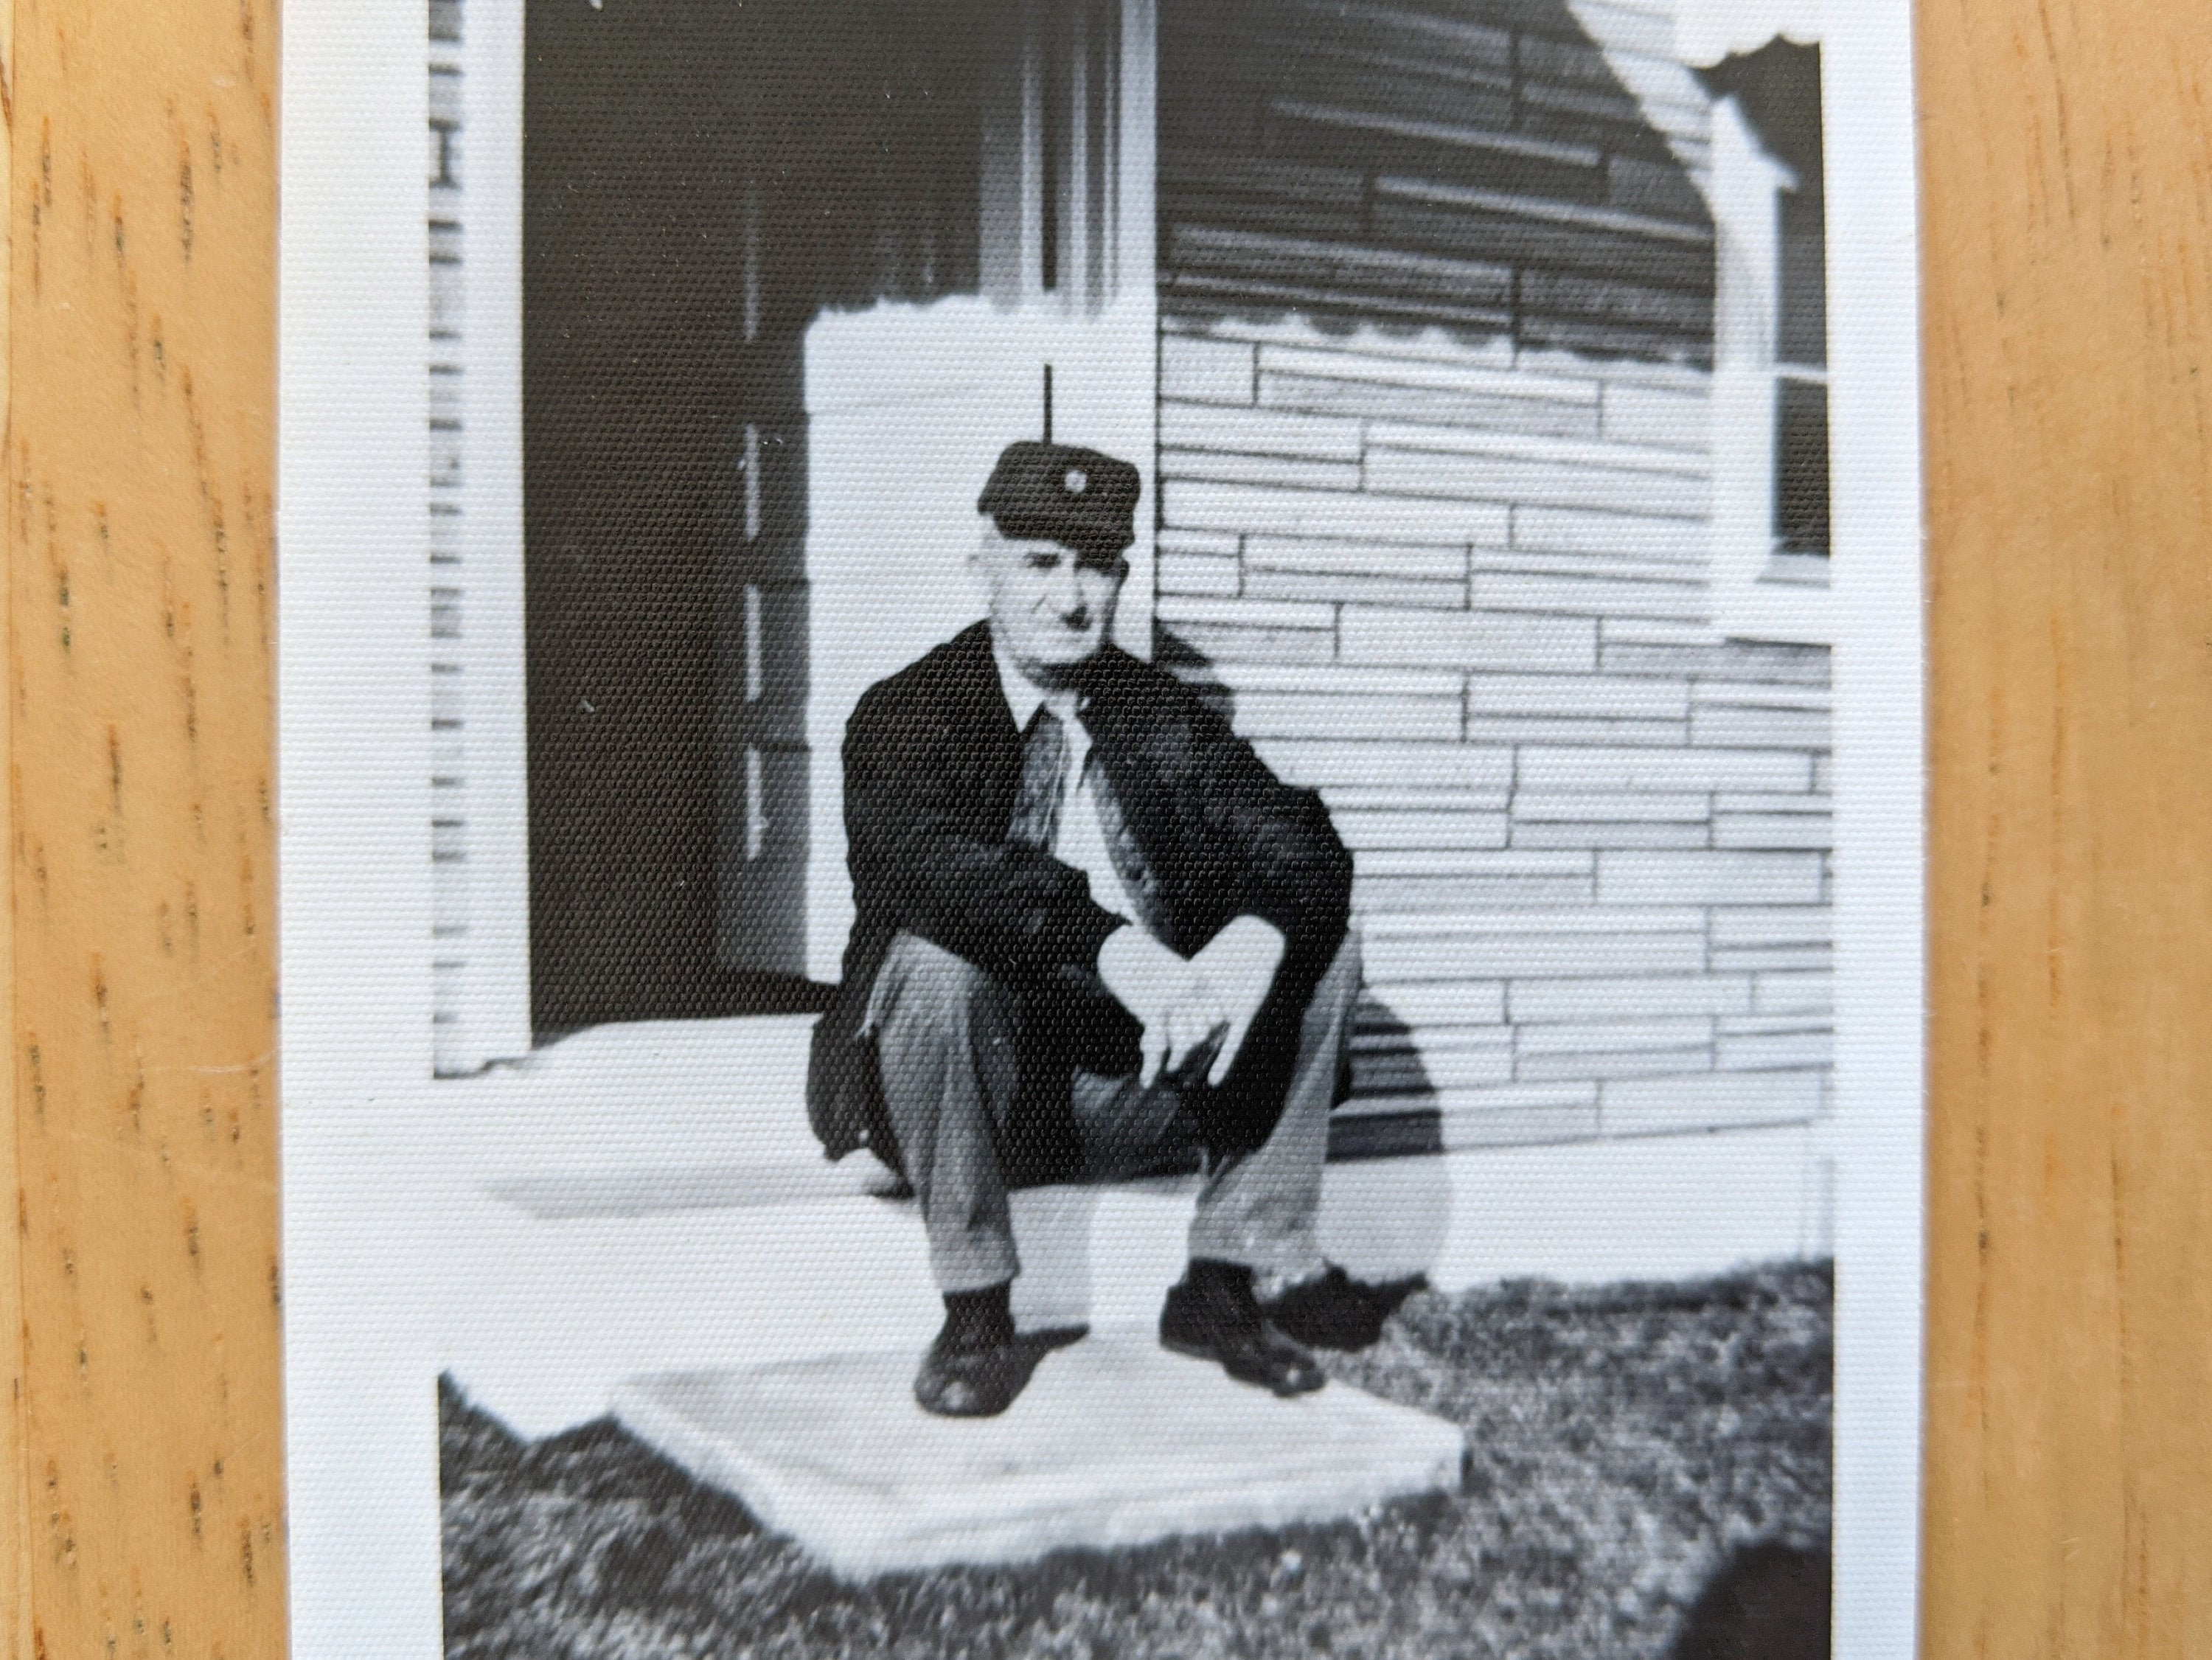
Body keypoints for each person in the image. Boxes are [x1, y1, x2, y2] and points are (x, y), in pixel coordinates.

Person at [806, 437, 1381, 1418]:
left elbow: (1300, 838)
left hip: (1127, 1086)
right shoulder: (906, 713)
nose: (1071, 598)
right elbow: (941, 871)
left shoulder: (1157, 712)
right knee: (939, 965)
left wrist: (1254, 936)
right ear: (981, 560)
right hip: (956, 1099)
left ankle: (1223, 1283)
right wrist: (1115, 946)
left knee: (1317, 939)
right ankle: (979, 1310)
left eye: (1097, 566)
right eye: (1040, 562)